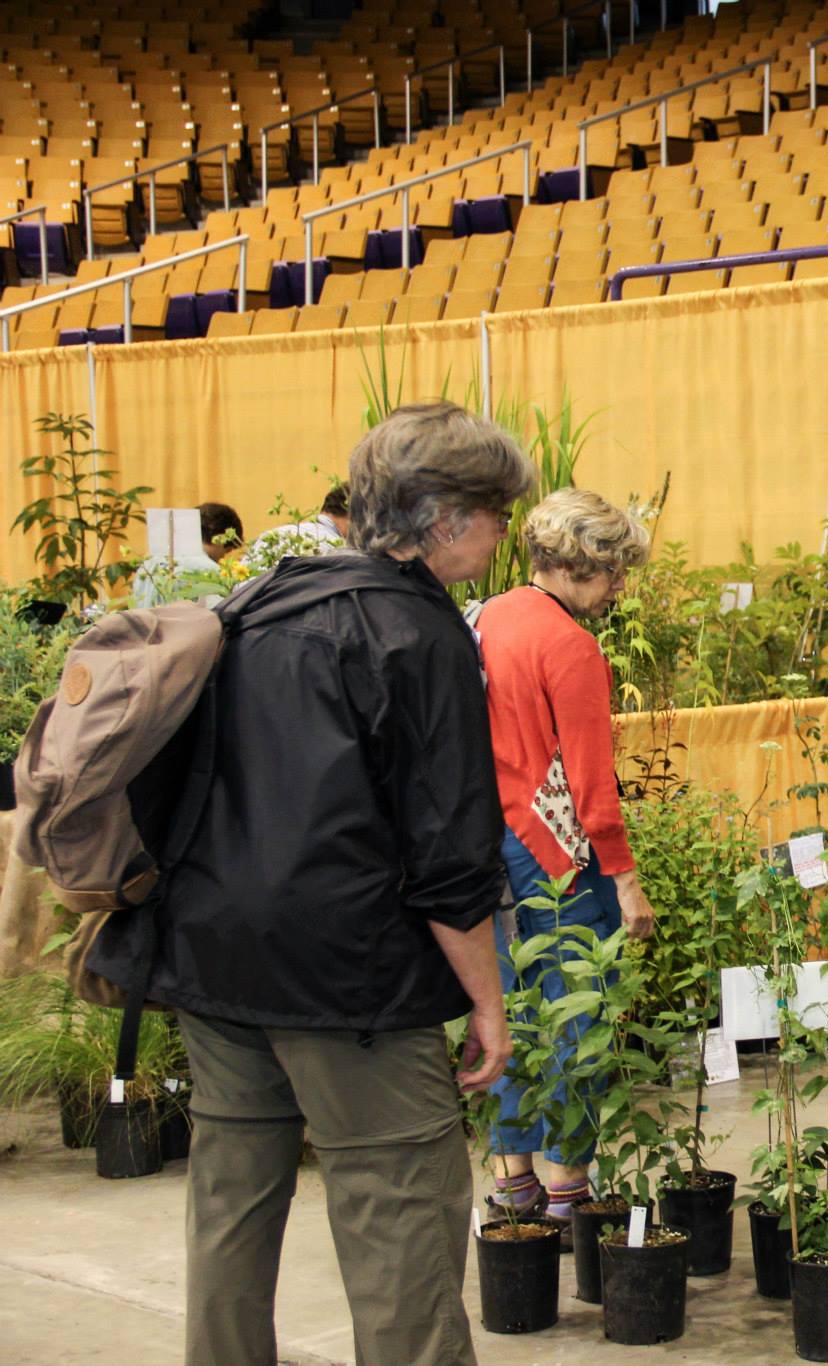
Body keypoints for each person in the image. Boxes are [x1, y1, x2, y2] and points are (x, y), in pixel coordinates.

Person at [87, 400, 534, 1366]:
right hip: (350, 983)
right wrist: (487, 1001)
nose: (503, 533)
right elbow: (448, 857)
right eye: (496, 512)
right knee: (401, 1220)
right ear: (444, 516)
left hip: (214, 960)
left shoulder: (260, 603)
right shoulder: (419, 635)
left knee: (229, 1211)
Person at [475, 488, 657, 1221]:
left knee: (508, 1012)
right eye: (616, 573)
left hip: (486, 844)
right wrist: (627, 881)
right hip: (554, 856)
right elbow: (590, 785)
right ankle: (567, 1188)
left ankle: (512, 1176)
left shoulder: (487, 617)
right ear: (588, 564)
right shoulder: (571, 647)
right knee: (577, 1013)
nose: (619, 589)